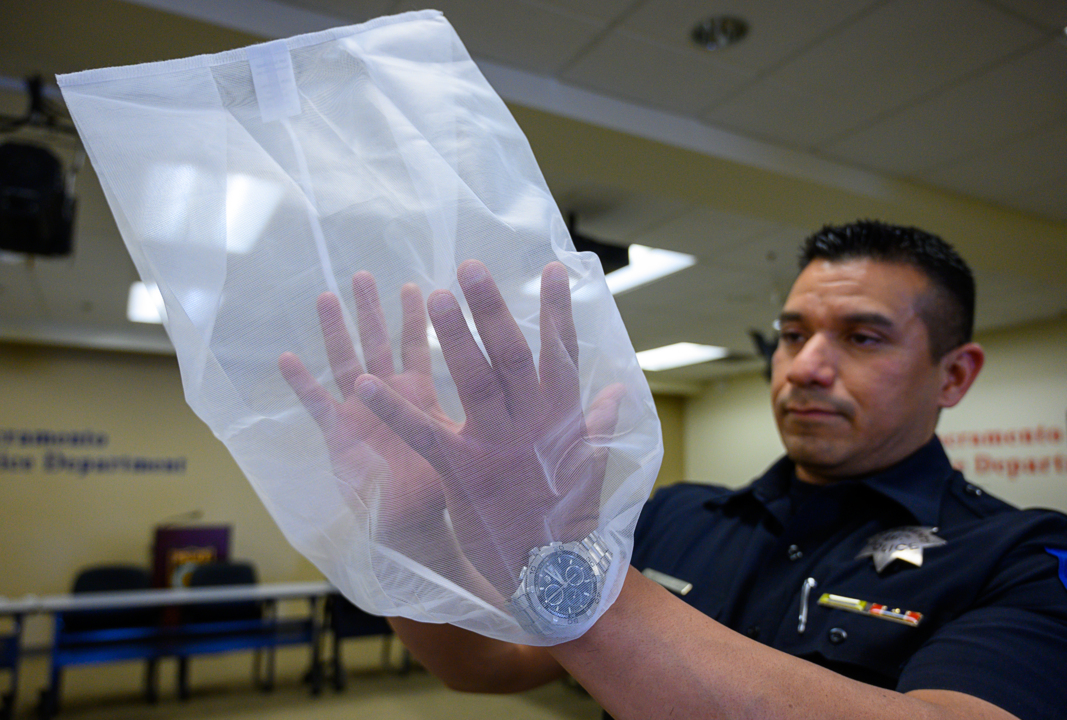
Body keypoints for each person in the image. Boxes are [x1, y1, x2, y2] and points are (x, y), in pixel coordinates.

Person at [283, 220, 1067, 720]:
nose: (805, 368)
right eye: (792, 335)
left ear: (954, 376)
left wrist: (561, 568)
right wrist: (411, 528)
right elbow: (488, 666)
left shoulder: (1021, 557)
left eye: (862, 338)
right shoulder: (670, 516)